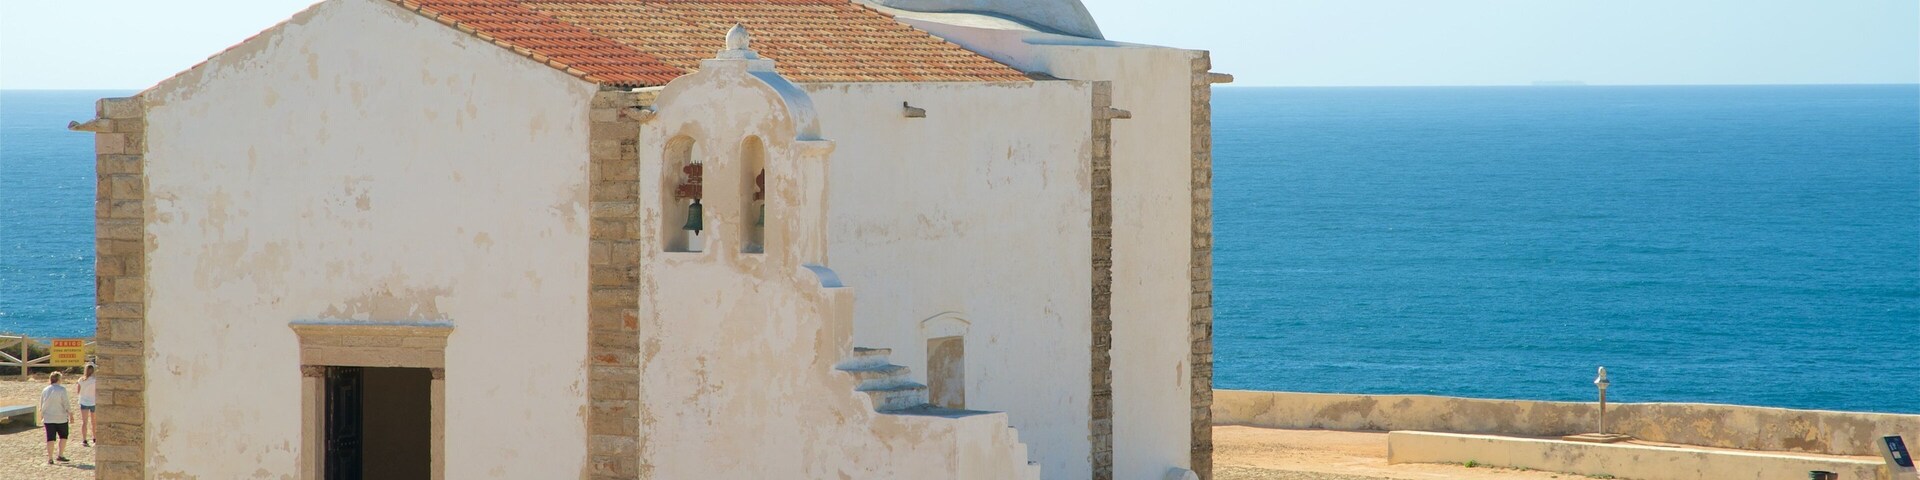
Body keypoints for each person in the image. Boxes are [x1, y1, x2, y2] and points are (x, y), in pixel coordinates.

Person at [39, 371, 72, 464]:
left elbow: (41, 403)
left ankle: (50, 458)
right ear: (58, 379)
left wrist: (42, 414)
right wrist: (70, 413)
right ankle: (60, 454)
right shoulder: (62, 390)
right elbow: (66, 403)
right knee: (63, 436)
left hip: (48, 418)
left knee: (50, 438)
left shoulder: (45, 390)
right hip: (60, 417)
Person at [78, 364, 97, 447]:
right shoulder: (95, 380)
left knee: (84, 422)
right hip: (94, 401)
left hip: (84, 402)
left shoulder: (81, 380)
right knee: (94, 421)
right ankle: (94, 437)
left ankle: (84, 439)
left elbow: (78, 391)